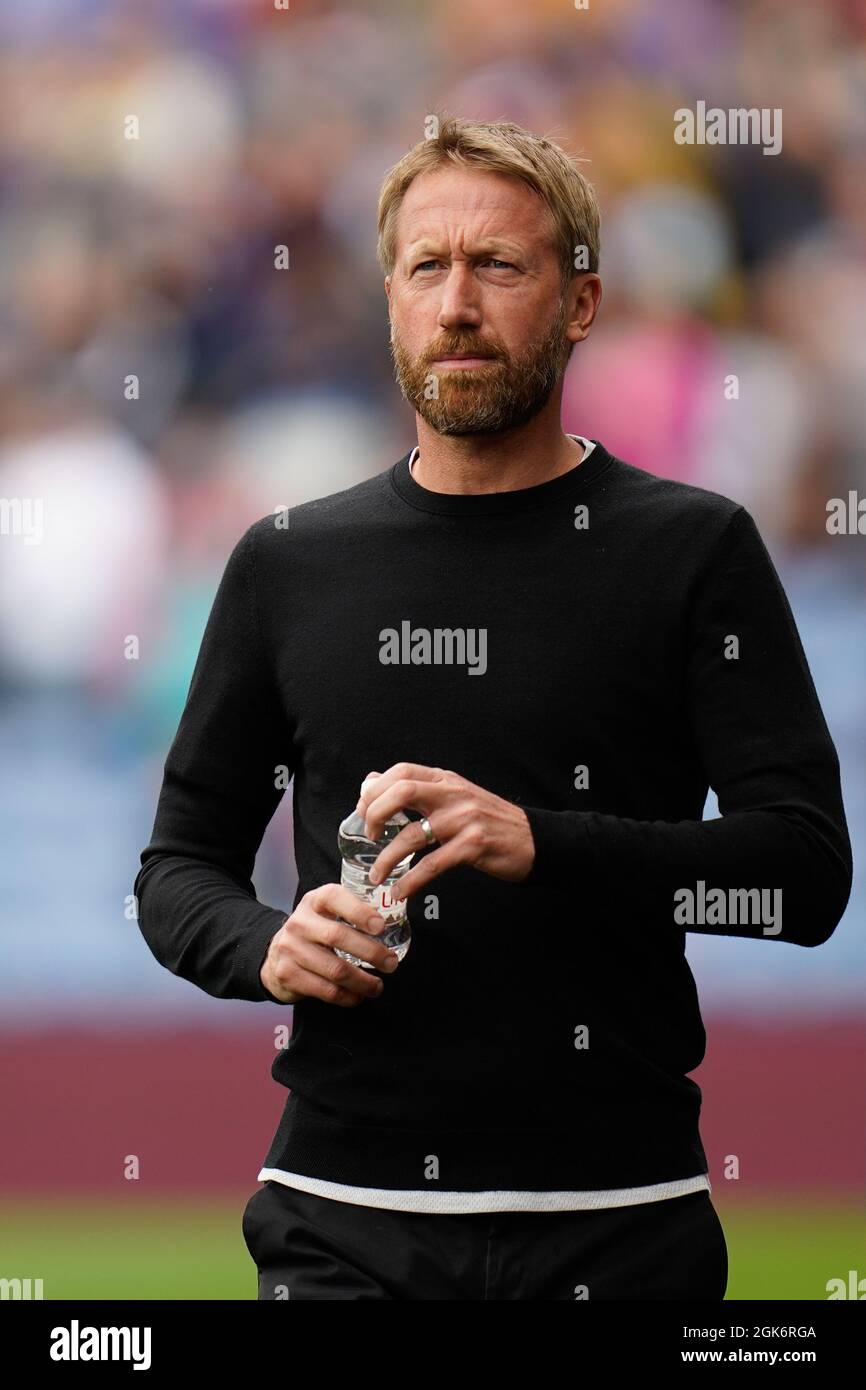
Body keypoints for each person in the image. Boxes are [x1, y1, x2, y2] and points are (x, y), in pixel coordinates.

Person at [134, 115, 852, 1300]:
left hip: (619, 1221)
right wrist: (268, 944)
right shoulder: (289, 561)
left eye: (498, 266)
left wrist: (540, 842)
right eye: (426, 267)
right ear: (389, 301)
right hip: (339, 1220)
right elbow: (174, 873)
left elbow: (803, 877)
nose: (456, 303)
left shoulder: (690, 550)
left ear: (579, 303)